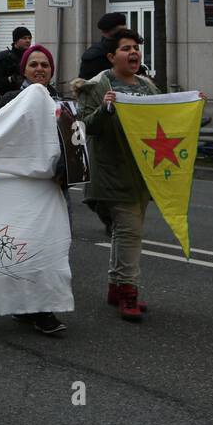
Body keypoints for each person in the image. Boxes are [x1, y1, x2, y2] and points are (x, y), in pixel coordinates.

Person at [76, 29, 161, 322]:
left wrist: (190, 104)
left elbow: (165, 116)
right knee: (129, 231)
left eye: (136, 47)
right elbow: (83, 126)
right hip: (113, 171)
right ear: (112, 57)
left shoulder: (148, 86)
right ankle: (128, 292)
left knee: (126, 230)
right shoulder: (98, 86)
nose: (134, 53)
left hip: (142, 171)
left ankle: (115, 286)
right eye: (126, 48)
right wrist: (106, 109)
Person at [0, 43, 69, 336]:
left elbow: (71, 142)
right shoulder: (11, 99)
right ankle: (39, 309)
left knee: (54, 245)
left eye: (44, 65)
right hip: (22, 186)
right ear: (23, 69)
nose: (39, 69)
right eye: (33, 64)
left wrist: (65, 171)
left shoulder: (61, 103)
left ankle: (31, 305)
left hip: (54, 187)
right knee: (30, 245)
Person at [78, 12, 127, 80]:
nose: (124, 35)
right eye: (120, 32)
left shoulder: (128, 50)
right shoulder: (95, 55)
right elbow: (86, 85)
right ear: (105, 32)